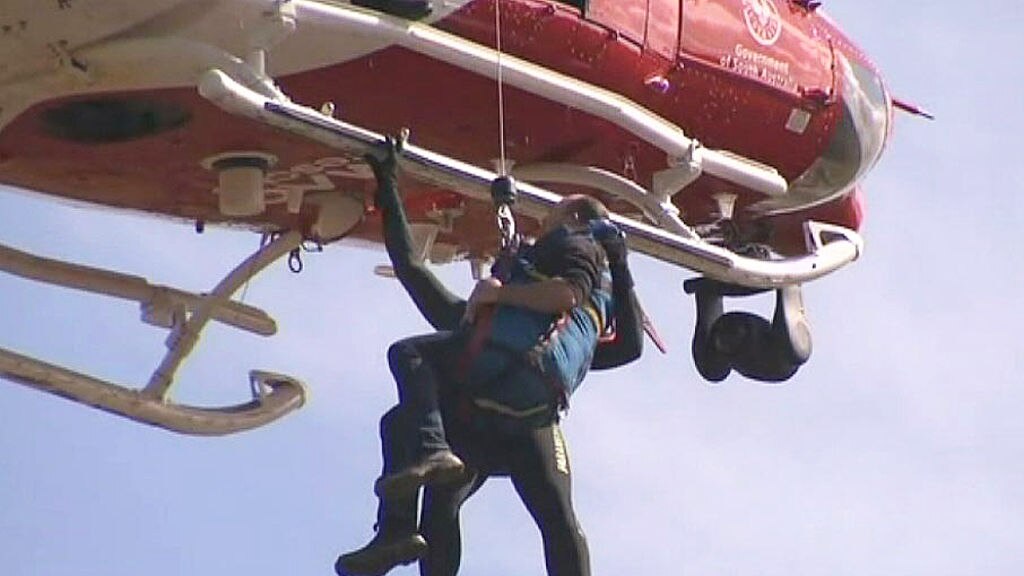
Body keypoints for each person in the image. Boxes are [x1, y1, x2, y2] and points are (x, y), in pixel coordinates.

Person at [336, 137, 643, 576]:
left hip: (505, 419)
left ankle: (409, 501)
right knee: (550, 518)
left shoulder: (519, 307)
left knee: (444, 488)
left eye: (551, 216)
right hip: (525, 415)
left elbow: (412, 270)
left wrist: (388, 181)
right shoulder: (485, 324)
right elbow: (629, 348)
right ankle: (396, 530)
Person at [684, 277, 811, 382]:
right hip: (784, 354)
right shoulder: (784, 356)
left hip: (773, 352)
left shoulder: (710, 360)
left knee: (710, 369)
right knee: (796, 351)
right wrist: (786, 283)